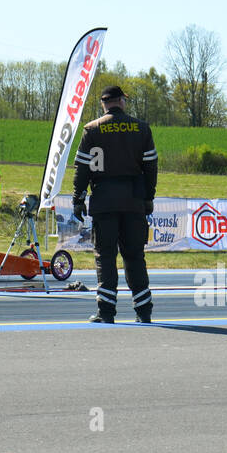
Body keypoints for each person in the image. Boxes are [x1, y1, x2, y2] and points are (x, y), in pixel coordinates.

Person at [72, 85, 158, 323]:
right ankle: (143, 311)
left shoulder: (91, 129)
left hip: (104, 200)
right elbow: (151, 167)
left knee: (106, 256)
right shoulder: (141, 128)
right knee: (134, 256)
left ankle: (106, 312)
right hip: (133, 200)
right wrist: (149, 197)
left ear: (103, 104)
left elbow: (82, 168)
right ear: (121, 101)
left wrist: (78, 198)